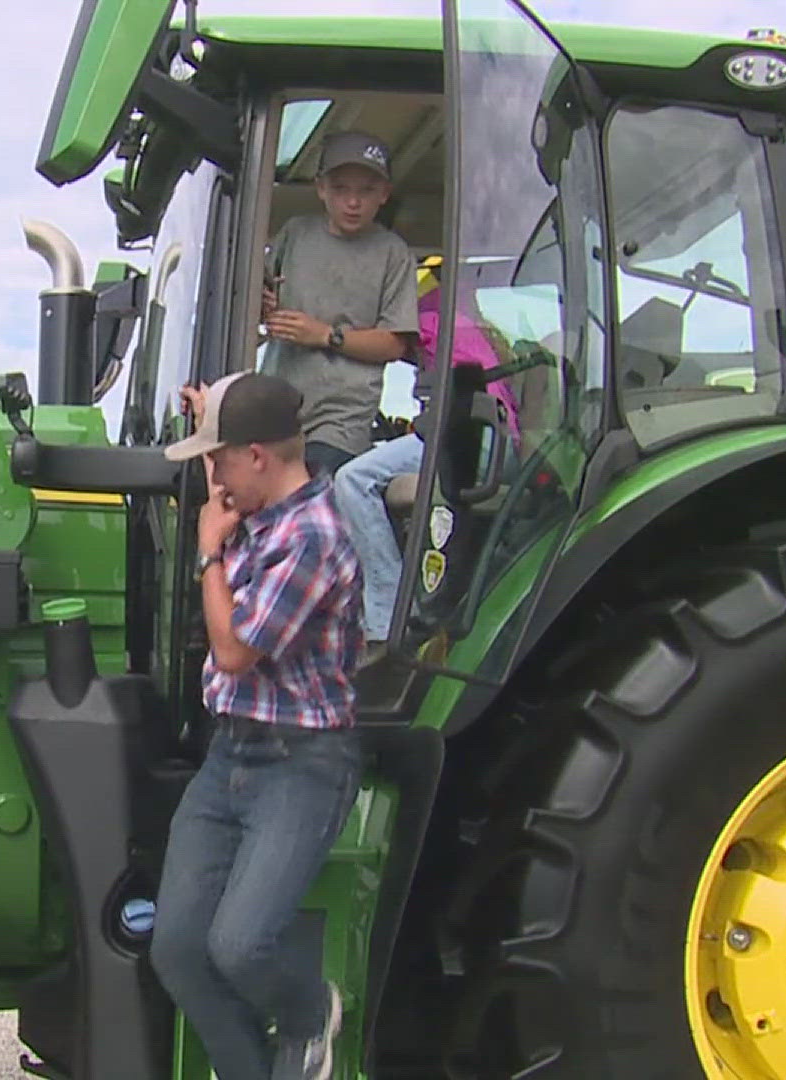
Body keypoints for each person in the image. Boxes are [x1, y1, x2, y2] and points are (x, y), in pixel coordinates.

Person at [150, 371, 365, 1080]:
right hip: (229, 756)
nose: (210, 477)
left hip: (299, 765)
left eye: (217, 458)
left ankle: (310, 1014)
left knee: (241, 946)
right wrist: (210, 408)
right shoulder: (259, 511)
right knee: (177, 948)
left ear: (258, 456)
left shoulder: (314, 536)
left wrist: (209, 552)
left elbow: (236, 651)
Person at [333, 262, 522, 652]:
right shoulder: (470, 328)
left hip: (473, 439)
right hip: (496, 440)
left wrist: (314, 329)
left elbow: (378, 342)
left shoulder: (430, 314)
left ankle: (387, 619)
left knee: (351, 480)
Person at [260, 130, 420, 479]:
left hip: (341, 423)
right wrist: (262, 309)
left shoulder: (395, 255)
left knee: (310, 501)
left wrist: (324, 335)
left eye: (366, 191)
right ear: (320, 188)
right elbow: (258, 307)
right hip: (276, 408)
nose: (353, 202)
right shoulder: (294, 233)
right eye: (341, 188)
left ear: (384, 194)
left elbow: (394, 343)